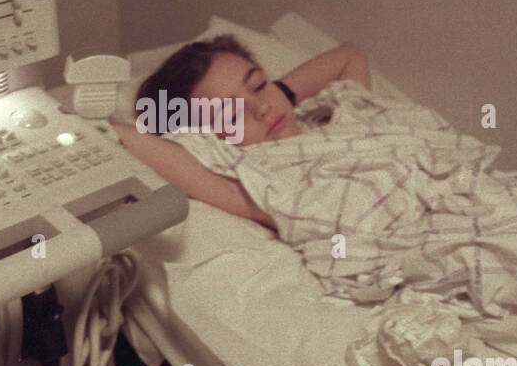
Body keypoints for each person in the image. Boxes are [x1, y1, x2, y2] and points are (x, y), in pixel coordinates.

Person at [110, 35, 370, 230]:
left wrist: (279, 96)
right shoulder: (260, 188)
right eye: (232, 114)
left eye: (258, 85)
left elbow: (350, 55)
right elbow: (119, 137)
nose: (262, 107)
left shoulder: (332, 120)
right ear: (207, 144)